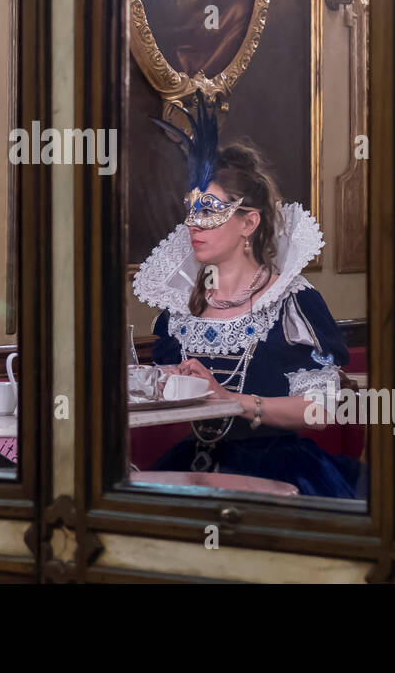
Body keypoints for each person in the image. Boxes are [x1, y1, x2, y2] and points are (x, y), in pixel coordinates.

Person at [133, 93, 363, 497]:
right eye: (191, 209)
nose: (194, 223)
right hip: (194, 466)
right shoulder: (179, 312)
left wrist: (234, 401)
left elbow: (320, 410)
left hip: (278, 468)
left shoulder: (292, 303)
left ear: (248, 223)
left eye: (209, 210)